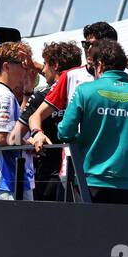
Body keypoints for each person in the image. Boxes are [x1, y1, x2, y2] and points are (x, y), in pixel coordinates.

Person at [55, 40, 128, 204]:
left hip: (90, 180)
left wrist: (84, 140)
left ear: (99, 64)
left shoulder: (84, 91)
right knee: (125, 230)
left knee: (89, 230)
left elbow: (65, 132)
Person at [23, 40, 83, 199]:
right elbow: (63, 81)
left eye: (45, 64)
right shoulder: (86, 93)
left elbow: (15, 134)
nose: (43, 68)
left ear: (55, 65)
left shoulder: (41, 97)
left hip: (48, 175)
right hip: (81, 172)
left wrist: (32, 137)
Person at [0, 41, 36, 200]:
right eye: (21, 64)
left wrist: (27, 93)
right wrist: (28, 143)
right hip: (7, 176)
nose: (25, 69)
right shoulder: (4, 96)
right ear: (7, 66)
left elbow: (12, 127)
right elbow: (2, 138)